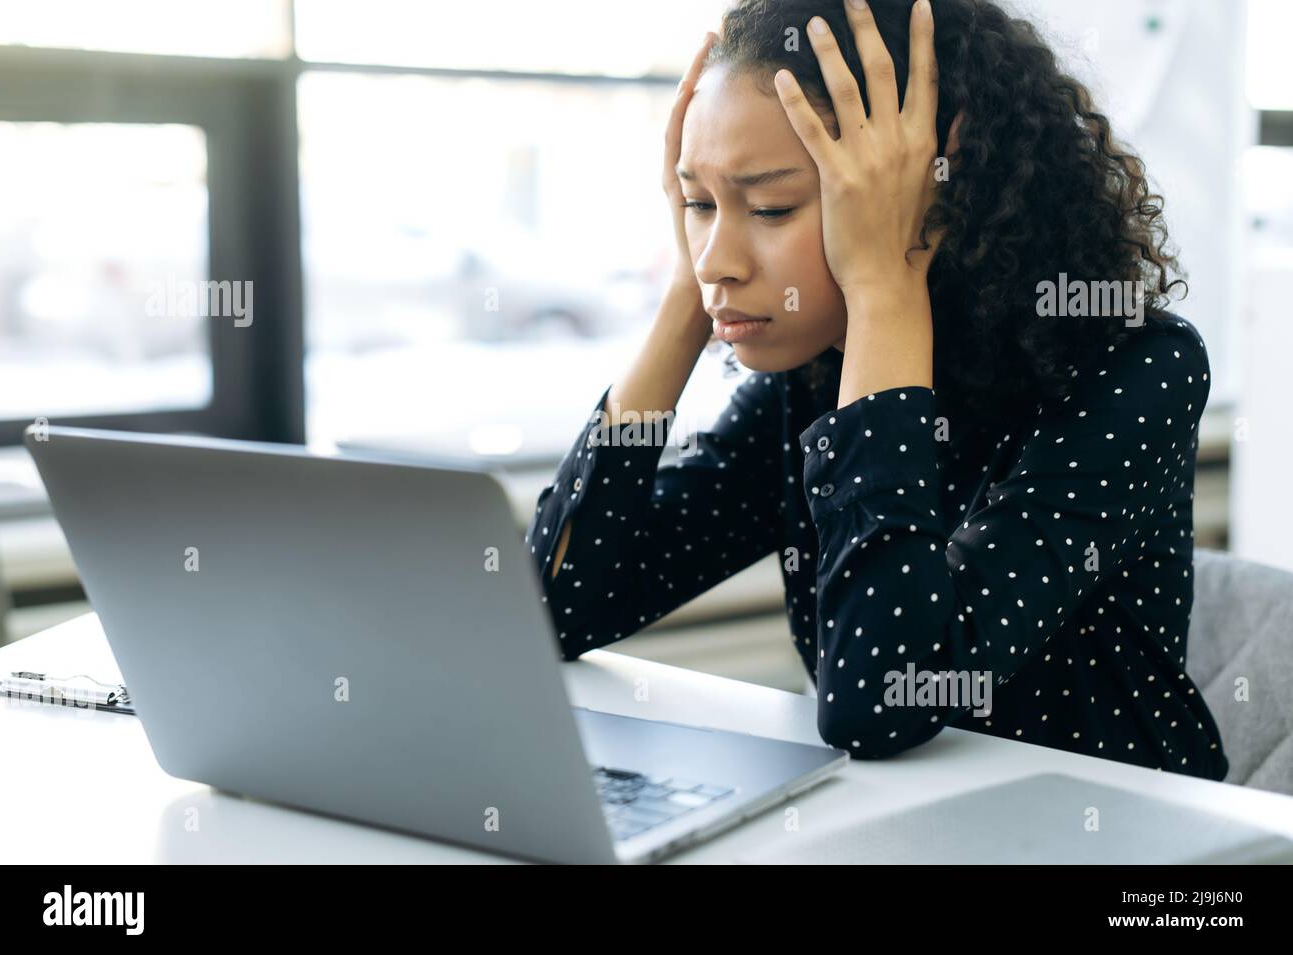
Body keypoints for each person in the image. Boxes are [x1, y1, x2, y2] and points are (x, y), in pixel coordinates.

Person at [523, 0, 1228, 781]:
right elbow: (555, 609)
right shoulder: (811, 376)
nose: (718, 254)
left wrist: (885, 291)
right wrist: (689, 297)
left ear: (928, 179)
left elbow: (882, 699)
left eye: (769, 206)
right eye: (697, 203)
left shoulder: (1135, 367)